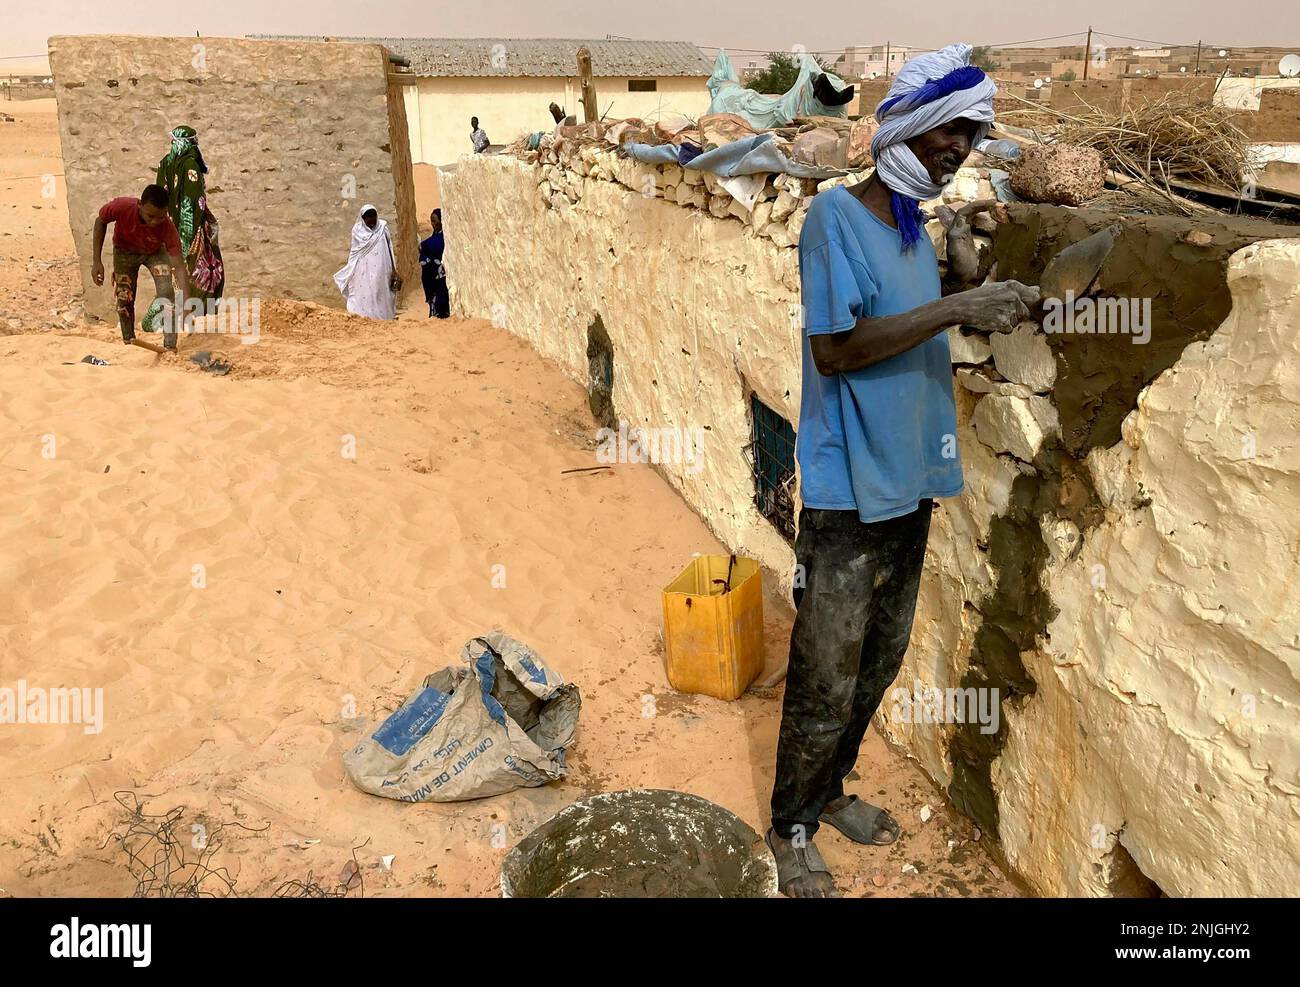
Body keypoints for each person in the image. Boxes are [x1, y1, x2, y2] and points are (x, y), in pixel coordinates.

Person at [766, 42, 1041, 898]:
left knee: (879, 658)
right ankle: (789, 822)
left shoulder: (916, 226)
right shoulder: (835, 220)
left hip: (911, 481)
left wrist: (965, 274)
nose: (958, 150)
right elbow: (838, 348)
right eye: (945, 134)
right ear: (909, 131)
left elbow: (918, 312)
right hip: (849, 488)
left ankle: (832, 787)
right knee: (825, 665)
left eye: (969, 138)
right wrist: (955, 305)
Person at [143, 124, 224, 333]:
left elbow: (160, 199)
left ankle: (161, 322)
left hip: (168, 232)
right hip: (189, 234)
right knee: (205, 276)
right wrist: (187, 237)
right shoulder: (190, 167)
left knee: (173, 279)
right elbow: (191, 204)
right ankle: (187, 320)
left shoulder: (165, 164)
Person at [91, 184, 189, 352]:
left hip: (155, 253)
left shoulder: (167, 227)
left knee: (166, 294)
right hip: (124, 251)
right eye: (150, 216)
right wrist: (96, 261)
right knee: (125, 296)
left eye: (160, 217)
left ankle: (170, 346)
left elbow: (179, 267)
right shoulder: (122, 207)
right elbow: (100, 220)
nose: (154, 222)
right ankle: (129, 341)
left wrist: (187, 301)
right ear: (140, 205)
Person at [333, 204, 401, 320]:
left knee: (381, 292)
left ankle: (384, 318)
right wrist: (351, 270)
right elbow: (355, 253)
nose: (371, 220)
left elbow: (389, 248)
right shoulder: (357, 231)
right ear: (363, 219)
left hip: (382, 269)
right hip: (364, 271)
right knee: (366, 294)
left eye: (373, 217)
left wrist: (394, 270)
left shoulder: (383, 228)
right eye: (367, 218)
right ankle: (366, 318)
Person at [419, 209, 449, 319]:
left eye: (435, 221)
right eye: (431, 221)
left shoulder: (444, 236)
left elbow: (437, 245)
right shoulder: (435, 235)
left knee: (441, 294)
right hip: (431, 273)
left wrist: (424, 246)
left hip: (440, 272)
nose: (433, 224)